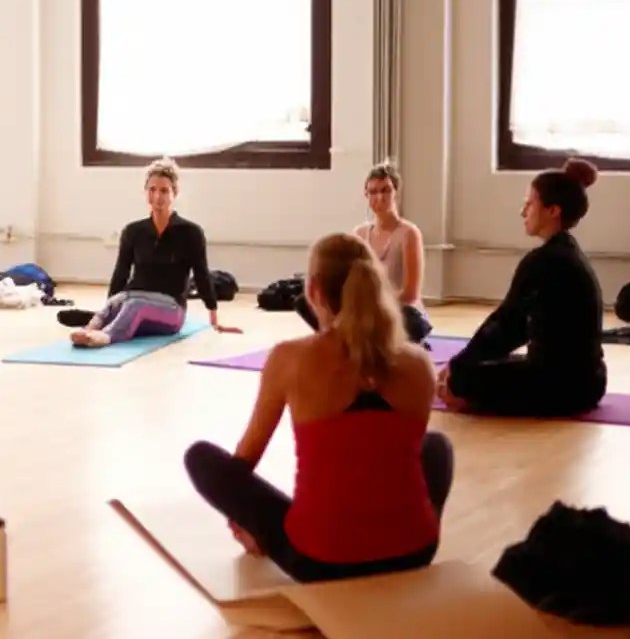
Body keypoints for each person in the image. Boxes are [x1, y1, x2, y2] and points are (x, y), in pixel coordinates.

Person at [184, 232, 453, 583]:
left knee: (201, 458)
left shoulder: (289, 358)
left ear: (312, 290)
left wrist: (250, 522)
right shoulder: (419, 364)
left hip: (322, 562)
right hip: (415, 553)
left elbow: (245, 461)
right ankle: (403, 534)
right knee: (436, 447)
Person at [438, 158, 606, 417]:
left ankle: (466, 395)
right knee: (487, 365)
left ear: (553, 211)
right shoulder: (569, 253)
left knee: (462, 379)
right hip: (591, 381)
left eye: (529, 204)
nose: (522, 211)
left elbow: (507, 325)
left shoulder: (544, 260)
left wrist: (459, 365)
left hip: (562, 387)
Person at [70, 158, 237, 348]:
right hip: (134, 297)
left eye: (164, 190)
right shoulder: (133, 231)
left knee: (135, 305)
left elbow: (201, 275)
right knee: (120, 299)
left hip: (171, 310)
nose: (158, 196)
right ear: (146, 192)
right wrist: (111, 305)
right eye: (152, 190)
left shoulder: (191, 233)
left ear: (175, 192)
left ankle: (107, 336)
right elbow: (121, 273)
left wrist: (213, 315)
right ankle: (89, 329)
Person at [295, 164, 431, 344]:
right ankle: (335, 341)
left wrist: (375, 305)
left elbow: (410, 293)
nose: (380, 197)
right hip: (365, 308)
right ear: (366, 195)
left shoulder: (409, 233)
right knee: (305, 301)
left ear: (395, 192)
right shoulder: (360, 234)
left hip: (399, 309)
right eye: (373, 192)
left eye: (386, 190)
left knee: (407, 319)